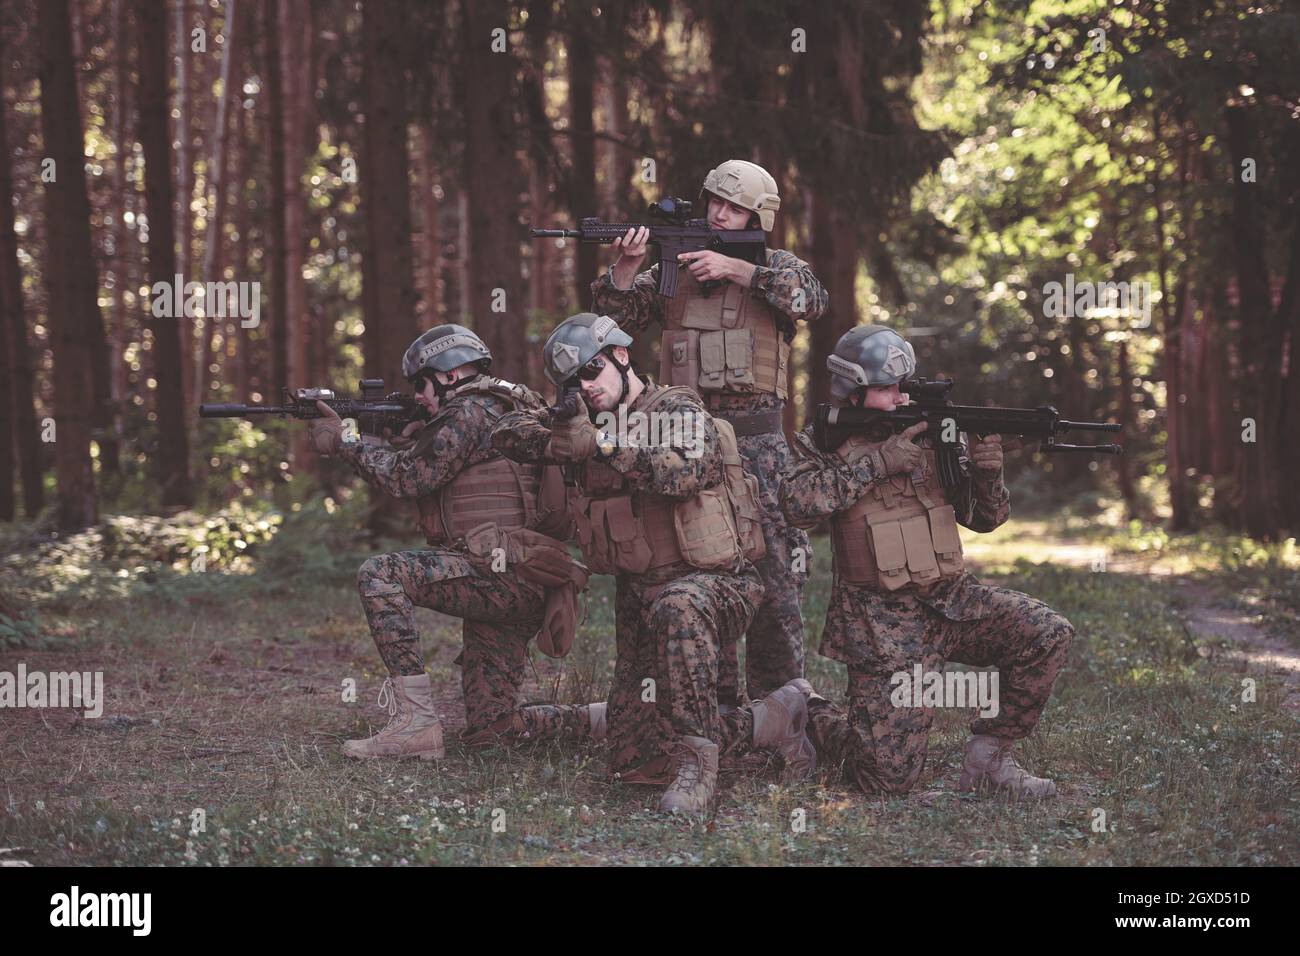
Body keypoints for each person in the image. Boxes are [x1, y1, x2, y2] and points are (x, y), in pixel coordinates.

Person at [492, 313, 816, 816]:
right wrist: (563, 430)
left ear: (621, 356)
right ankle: (775, 717)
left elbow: (686, 470)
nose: (586, 386)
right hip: (643, 605)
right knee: (635, 760)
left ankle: (698, 767)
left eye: (591, 370)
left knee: (678, 605)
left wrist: (602, 442)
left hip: (716, 587)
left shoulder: (675, 407)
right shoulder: (585, 417)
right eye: (571, 381)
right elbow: (507, 434)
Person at [779, 325, 1074, 798]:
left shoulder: (935, 435)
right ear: (853, 392)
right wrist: (878, 463)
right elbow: (796, 505)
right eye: (886, 388)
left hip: (953, 602)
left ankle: (989, 759)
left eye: (903, 386)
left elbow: (984, 519)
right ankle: (803, 711)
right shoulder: (822, 441)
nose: (900, 398)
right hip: (881, 621)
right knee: (887, 781)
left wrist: (987, 473)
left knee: (1046, 631)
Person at [591, 159, 829, 707]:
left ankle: (781, 705)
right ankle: (711, 707)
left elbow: (811, 300)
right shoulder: (674, 271)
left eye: (734, 208)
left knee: (774, 569)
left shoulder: (775, 266)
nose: (719, 214)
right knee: (695, 558)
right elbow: (610, 332)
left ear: (758, 217)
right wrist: (625, 270)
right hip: (684, 442)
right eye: (714, 203)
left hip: (758, 445)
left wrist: (738, 269)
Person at [306, 324, 603, 760]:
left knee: (381, 574)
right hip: (527, 575)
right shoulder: (509, 404)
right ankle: (604, 718)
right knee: (493, 729)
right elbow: (428, 463)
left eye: (421, 385)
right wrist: (396, 435)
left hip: (499, 575)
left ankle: (417, 725)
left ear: (448, 375)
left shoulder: (469, 412)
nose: (419, 397)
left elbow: (405, 478)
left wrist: (346, 441)